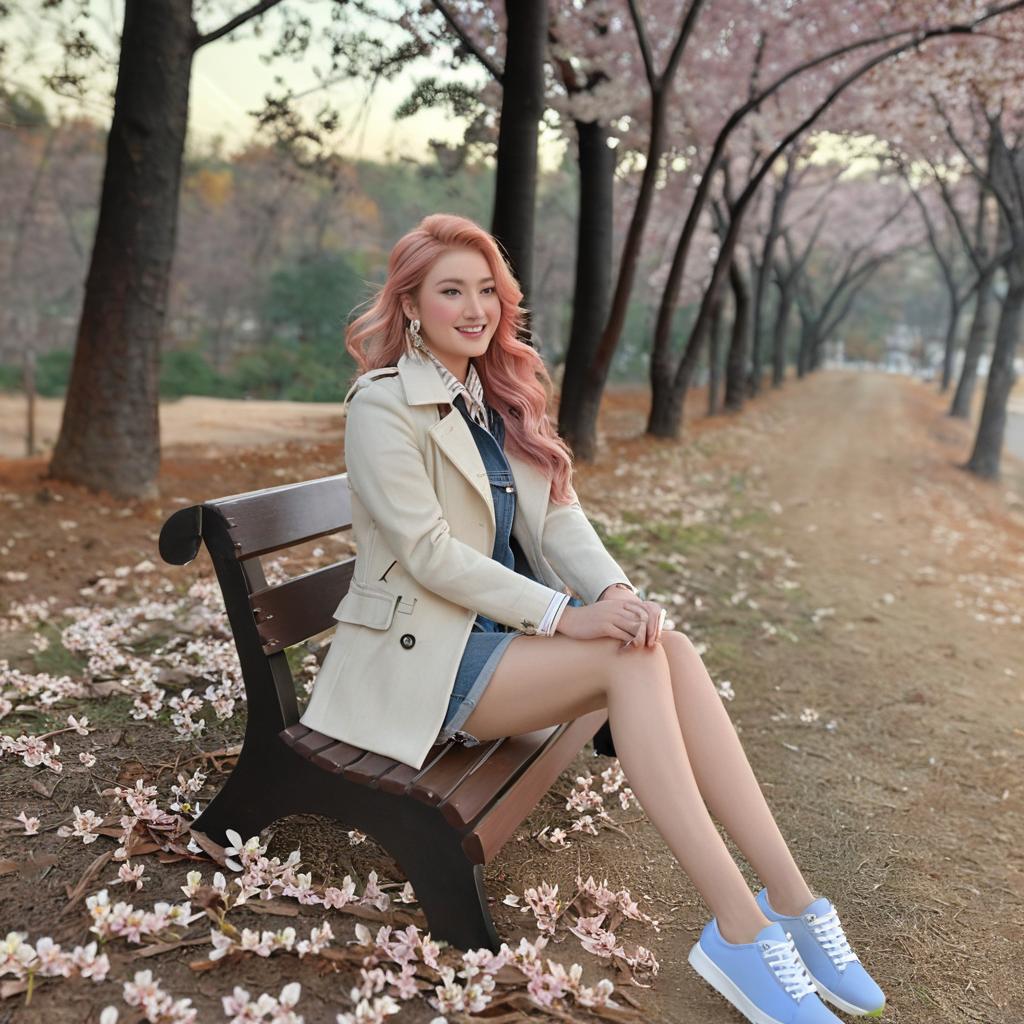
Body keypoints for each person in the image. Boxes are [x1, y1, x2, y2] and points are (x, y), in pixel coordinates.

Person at [300, 213, 884, 1024]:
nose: (475, 309)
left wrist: (612, 594)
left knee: (665, 644)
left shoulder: (493, 396)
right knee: (625, 660)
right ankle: (739, 932)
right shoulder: (383, 404)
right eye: (451, 292)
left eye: (486, 291)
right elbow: (429, 554)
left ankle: (791, 900)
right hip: (428, 658)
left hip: (496, 643)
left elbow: (560, 521)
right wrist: (560, 615)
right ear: (410, 306)